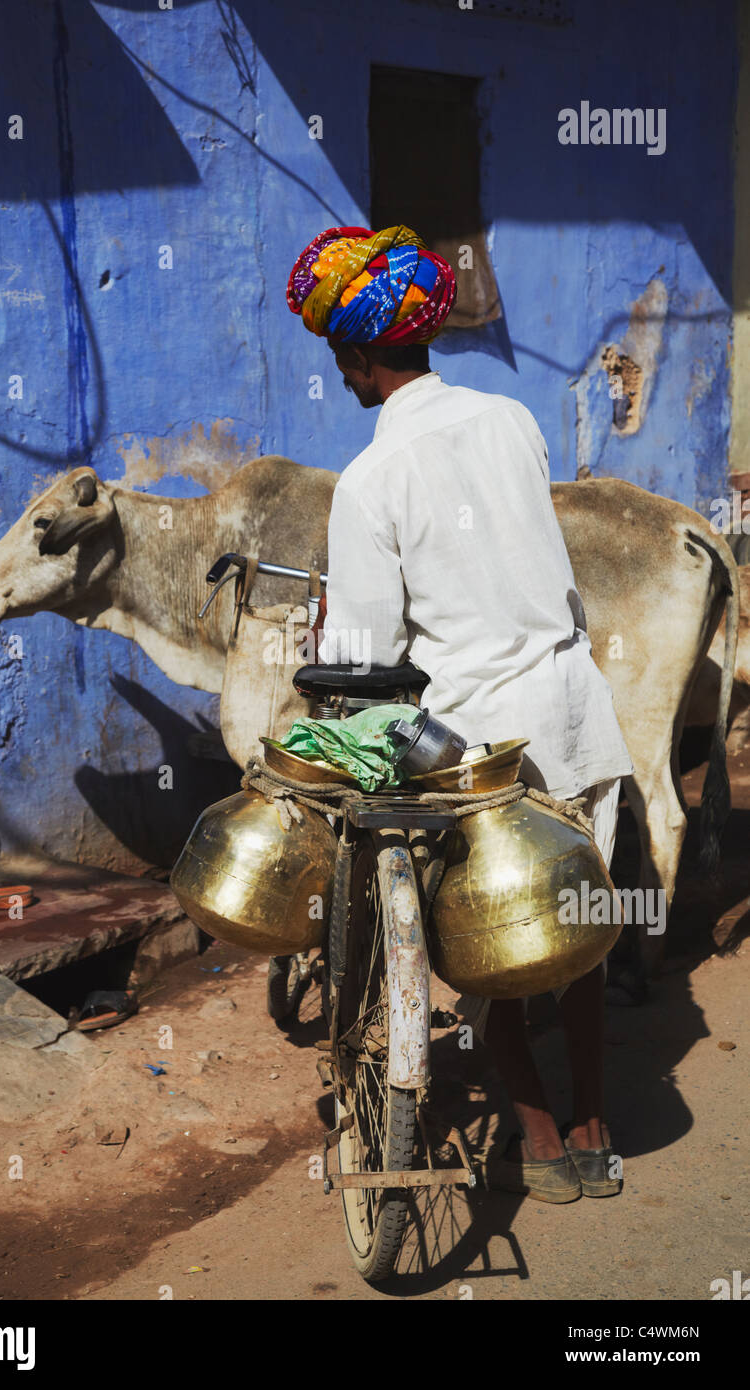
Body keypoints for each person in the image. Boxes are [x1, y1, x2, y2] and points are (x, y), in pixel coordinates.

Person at [287, 224, 634, 1202]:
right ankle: (594, 1124)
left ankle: (534, 1133)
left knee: (484, 943)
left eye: (343, 361)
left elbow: (360, 657)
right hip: (575, 714)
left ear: (356, 357)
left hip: (482, 738)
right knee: (576, 924)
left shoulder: (369, 481)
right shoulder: (509, 419)